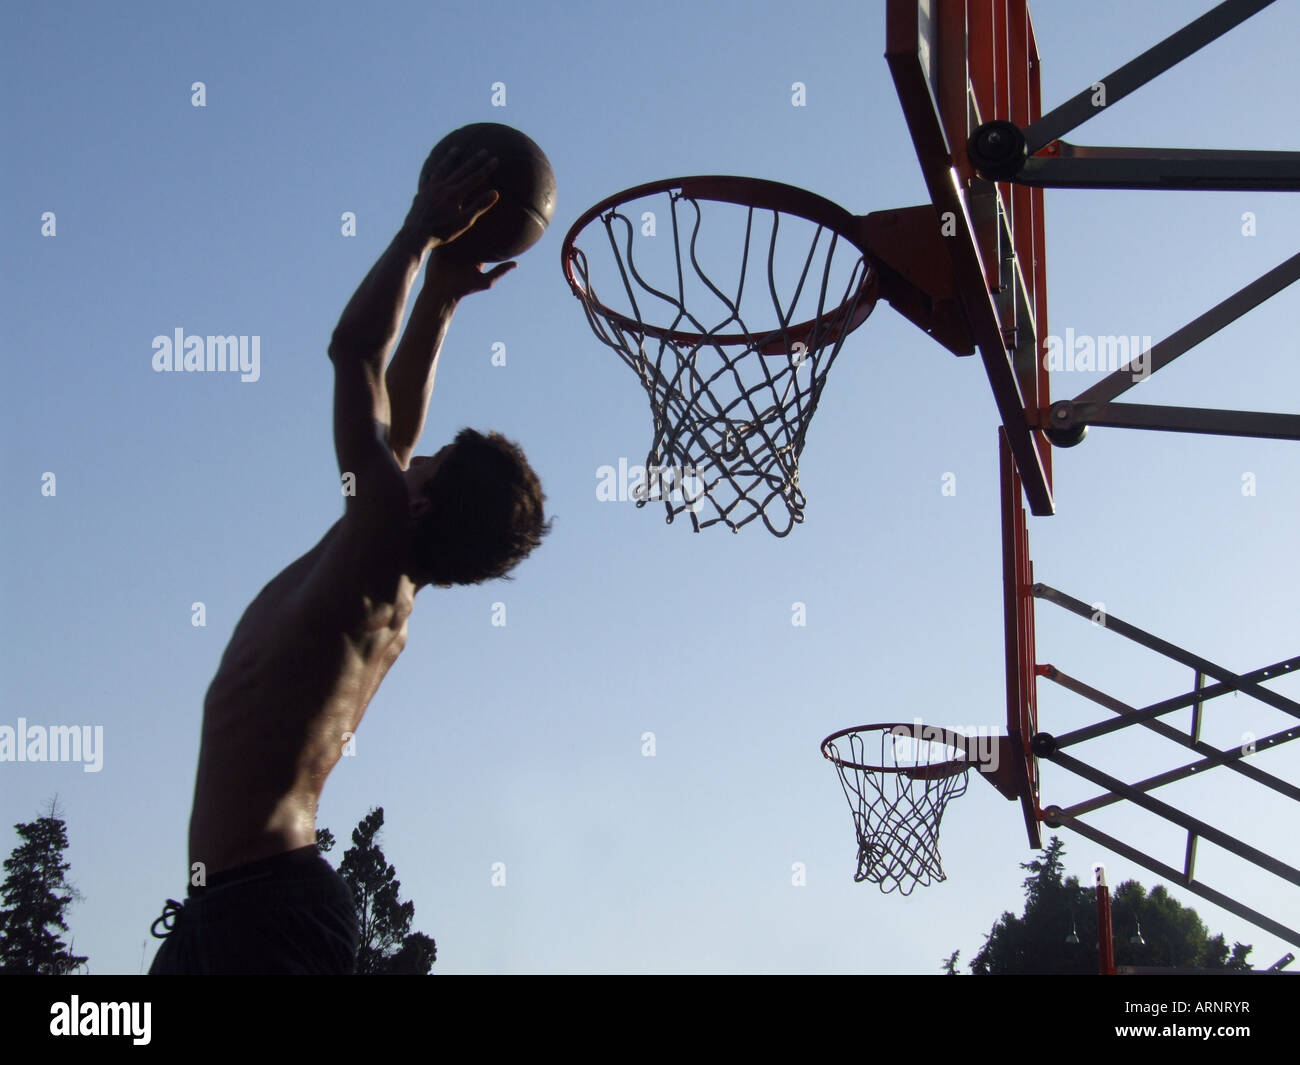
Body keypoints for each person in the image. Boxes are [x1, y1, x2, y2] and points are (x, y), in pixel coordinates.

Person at [149, 147, 550, 974]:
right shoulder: (382, 568)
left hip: (261, 914)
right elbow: (394, 428)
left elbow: (353, 354)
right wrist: (440, 295)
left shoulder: (376, 551)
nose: (413, 460)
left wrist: (421, 232)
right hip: (249, 905)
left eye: (428, 465)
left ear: (424, 501)